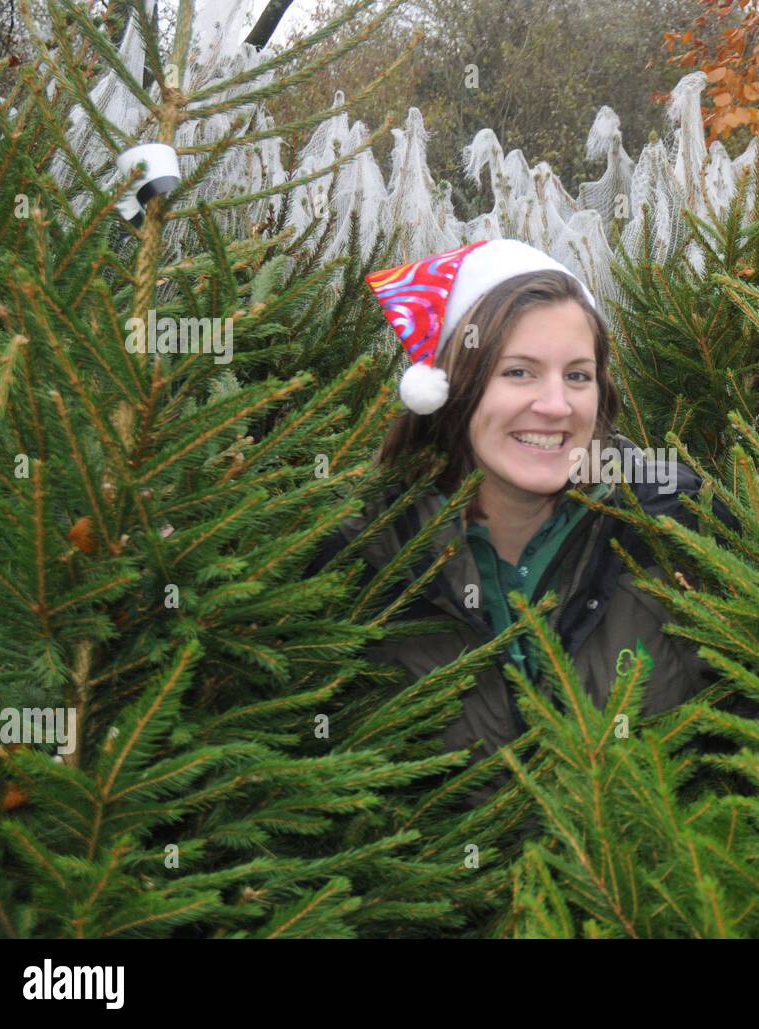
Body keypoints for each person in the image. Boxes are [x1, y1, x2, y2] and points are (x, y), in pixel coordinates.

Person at [306, 240, 725, 803]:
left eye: (577, 376)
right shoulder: (354, 556)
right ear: (454, 387)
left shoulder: (677, 525)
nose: (556, 405)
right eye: (520, 372)